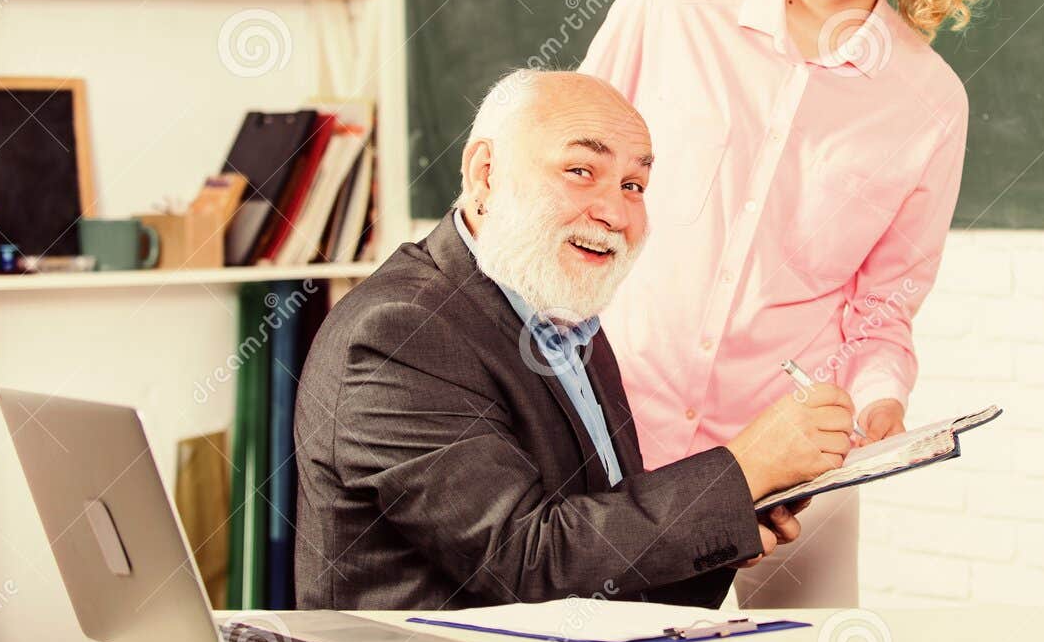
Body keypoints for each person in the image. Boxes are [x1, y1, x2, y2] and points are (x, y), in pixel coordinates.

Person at [580, 0, 998, 606]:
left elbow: (883, 307)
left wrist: (881, 401)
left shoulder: (929, 101)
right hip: (618, 430)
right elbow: (567, 169)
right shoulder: (673, 0)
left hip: (796, 451)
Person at [293, 69, 856, 611]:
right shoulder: (397, 333)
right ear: (486, 173)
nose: (614, 213)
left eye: (633, 185)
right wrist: (743, 467)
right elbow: (523, 561)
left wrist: (738, 512)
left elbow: (596, 560)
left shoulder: (566, 321)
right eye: (581, 171)